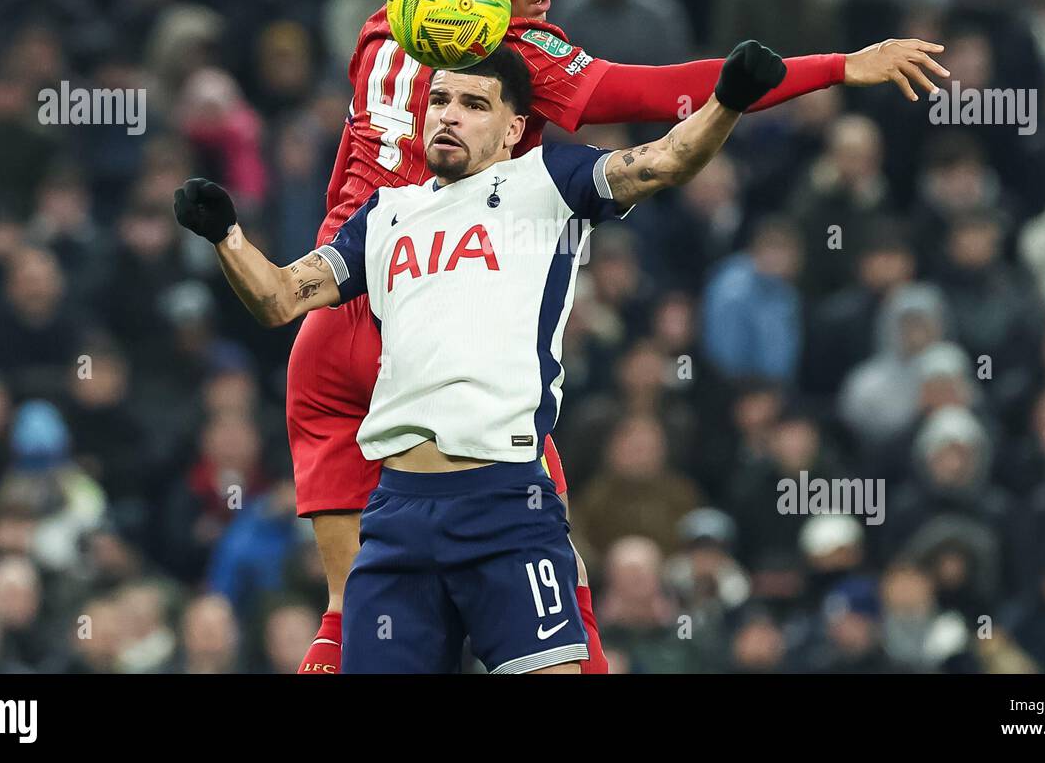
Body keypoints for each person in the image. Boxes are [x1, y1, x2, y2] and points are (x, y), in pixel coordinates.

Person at [286, 0, 950, 673]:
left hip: (331, 326)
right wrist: (840, 65)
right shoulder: (508, 57)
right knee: (557, 586)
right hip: (437, 331)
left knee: (348, 612)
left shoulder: (379, 26)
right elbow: (665, 95)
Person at [175, 39, 789, 671]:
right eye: (439, 99)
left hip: (506, 504)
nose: (449, 114)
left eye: (473, 103)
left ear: (513, 127)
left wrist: (727, 102)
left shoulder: (548, 182)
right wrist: (227, 236)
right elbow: (280, 298)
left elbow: (658, 162)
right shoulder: (387, 213)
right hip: (395, 517)